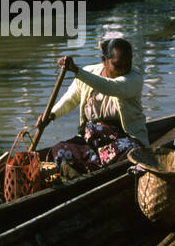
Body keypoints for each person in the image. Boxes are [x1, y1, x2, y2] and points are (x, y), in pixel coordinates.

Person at [36, 37, 149, 171]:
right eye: (118, 65)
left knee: (131, 151)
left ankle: (95, 167)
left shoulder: (134, 78)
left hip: (124, 138)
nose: (124, 69)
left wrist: (77, 71)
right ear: (104, 60)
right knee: (59, 151)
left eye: (128, 63)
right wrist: (51, 115)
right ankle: (88, 169)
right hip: (92, 139)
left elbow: (110, 87)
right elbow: (70, 100)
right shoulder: (89, 73)